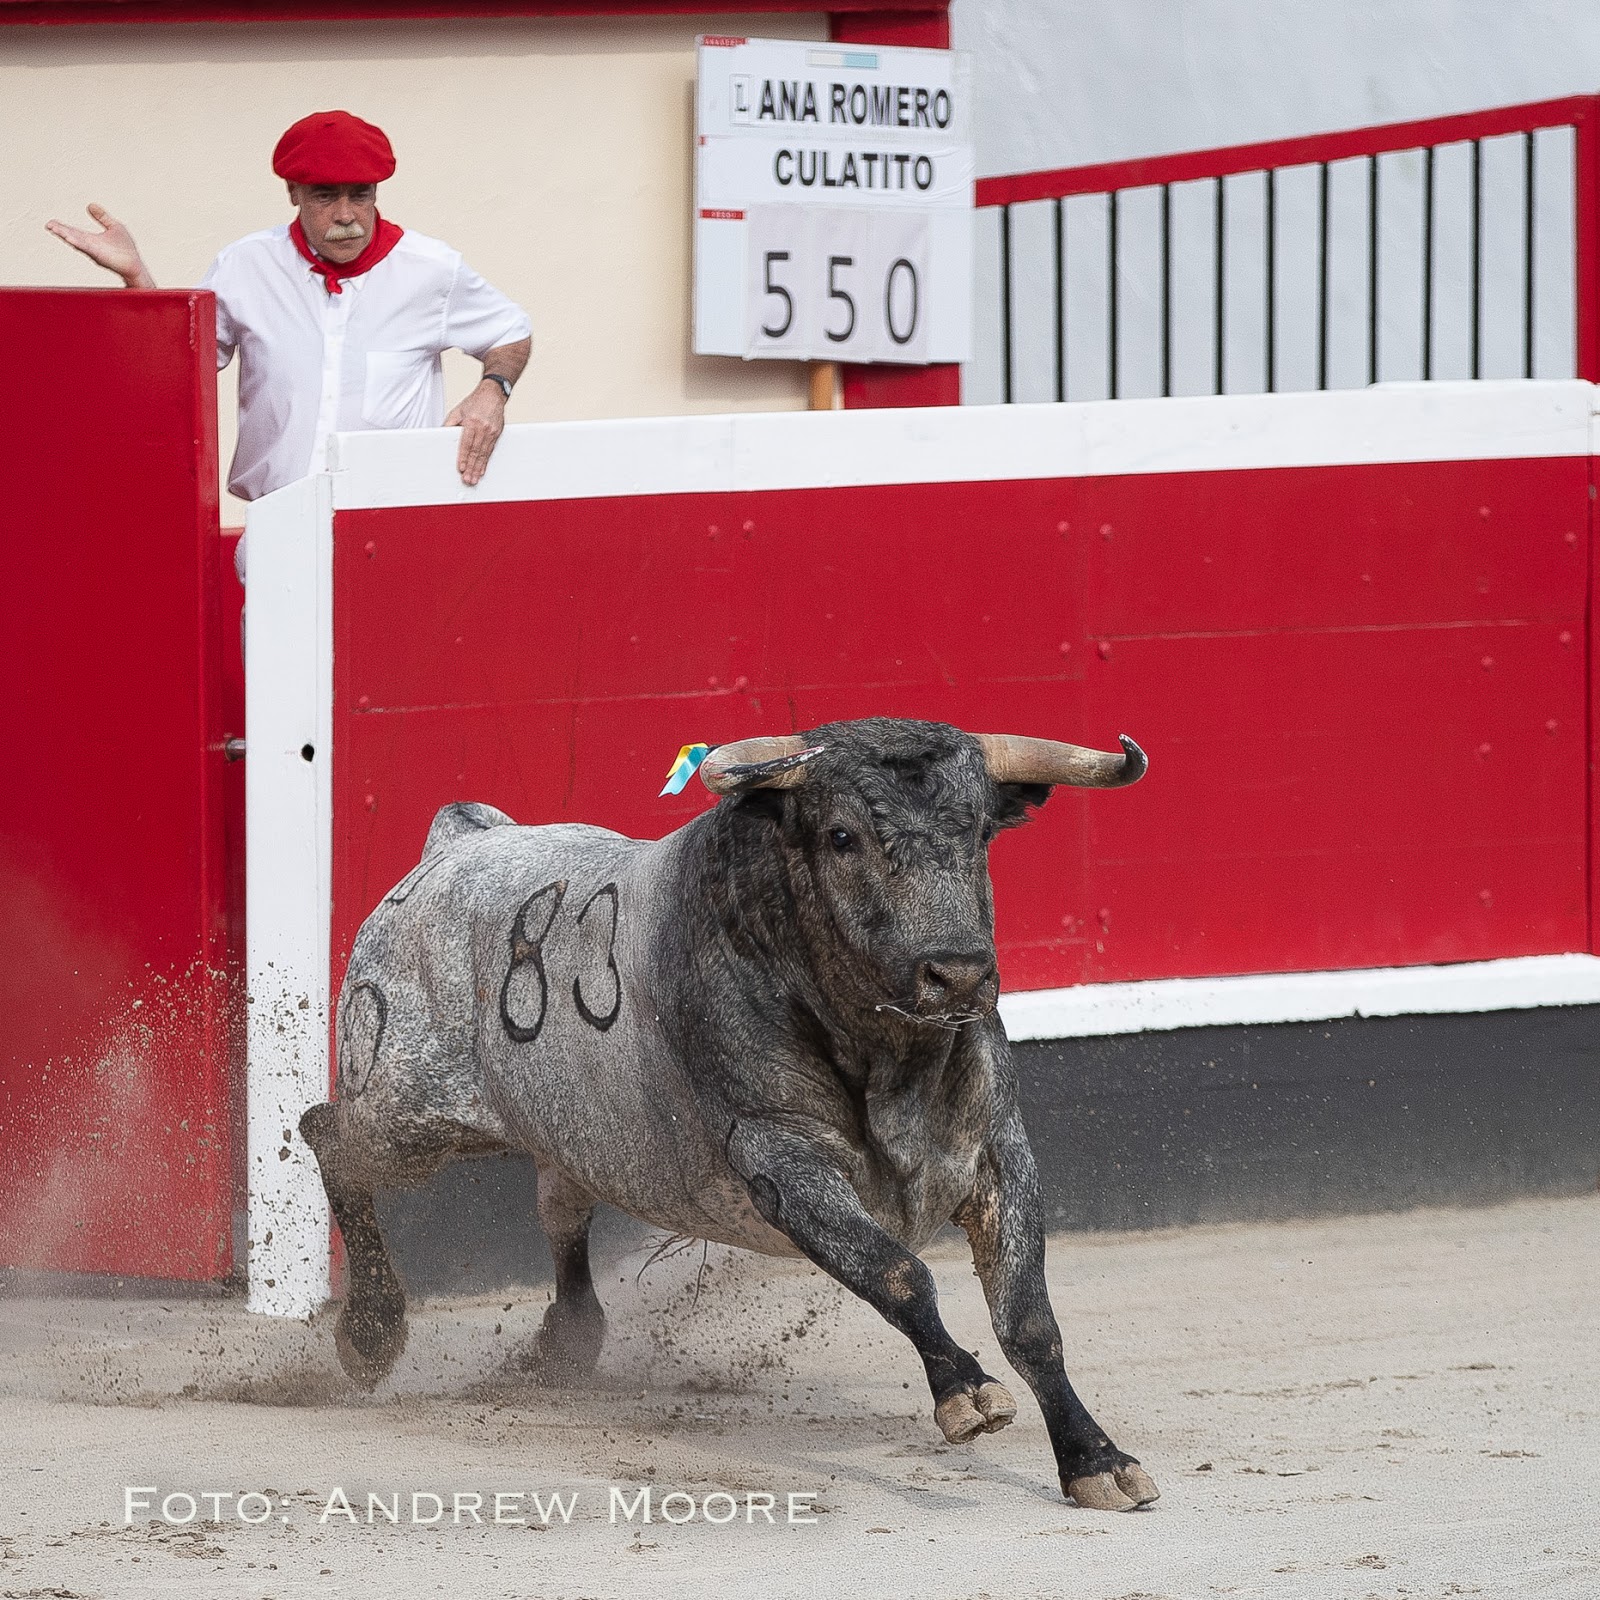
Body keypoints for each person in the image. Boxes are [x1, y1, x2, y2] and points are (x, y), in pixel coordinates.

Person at [47, 109, 531, 501]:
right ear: (293, 192)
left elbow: (509, 332)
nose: (346, 215)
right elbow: (177, 365)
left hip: (391, 515)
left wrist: (492, 391)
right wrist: (136, 275)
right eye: (325, 196)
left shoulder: (431, 268)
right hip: (277, 513)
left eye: (359, 196)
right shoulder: (245, 265)